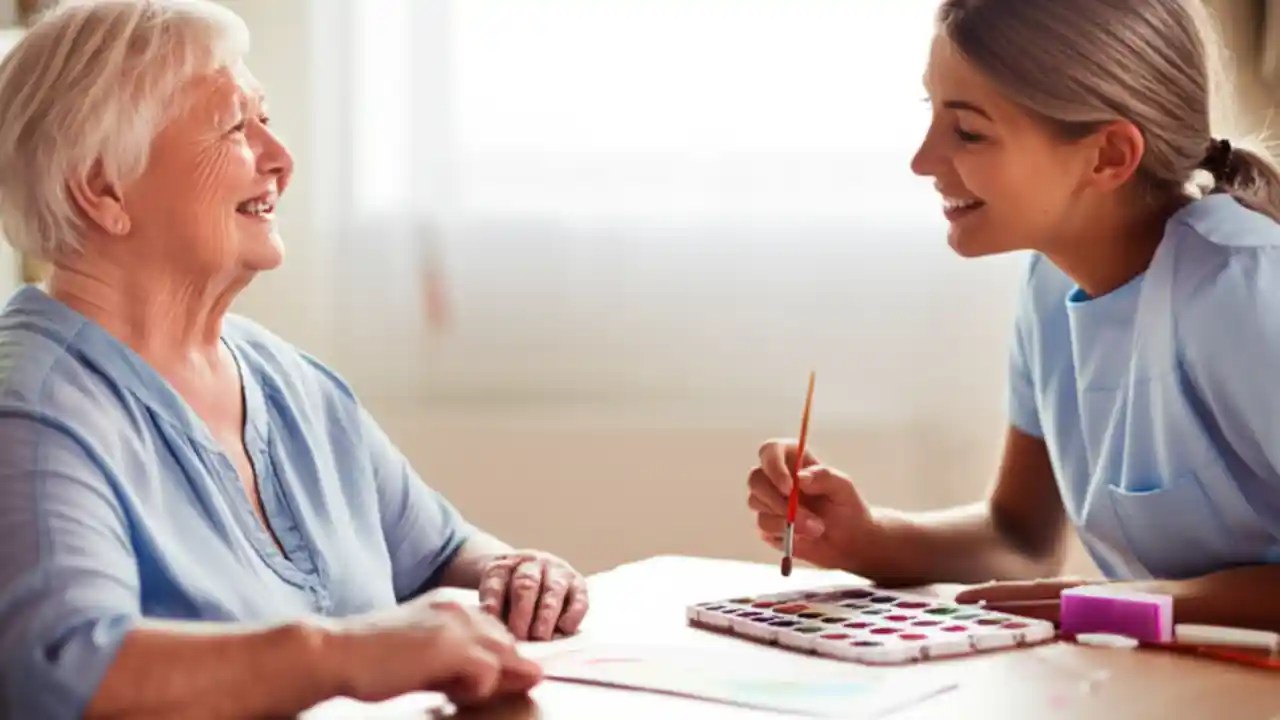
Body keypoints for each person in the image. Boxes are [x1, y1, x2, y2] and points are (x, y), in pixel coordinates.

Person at [0, 2, 589, 718]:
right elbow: (59, 672)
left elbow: (436, 552)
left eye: (265, 119)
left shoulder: (289, 380)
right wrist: (340, 653)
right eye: (232, 127)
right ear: (102, 188)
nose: (280, 157)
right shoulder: (31, 410)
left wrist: (513, 569)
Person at [748, 0, 1280, 632]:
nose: (922, 161)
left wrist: (1130, 602)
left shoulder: (1238, 287)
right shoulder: (1052, 285)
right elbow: (1021, 538)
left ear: (1108, 154)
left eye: (968, 131)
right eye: (933, 116)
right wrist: (864, 537)